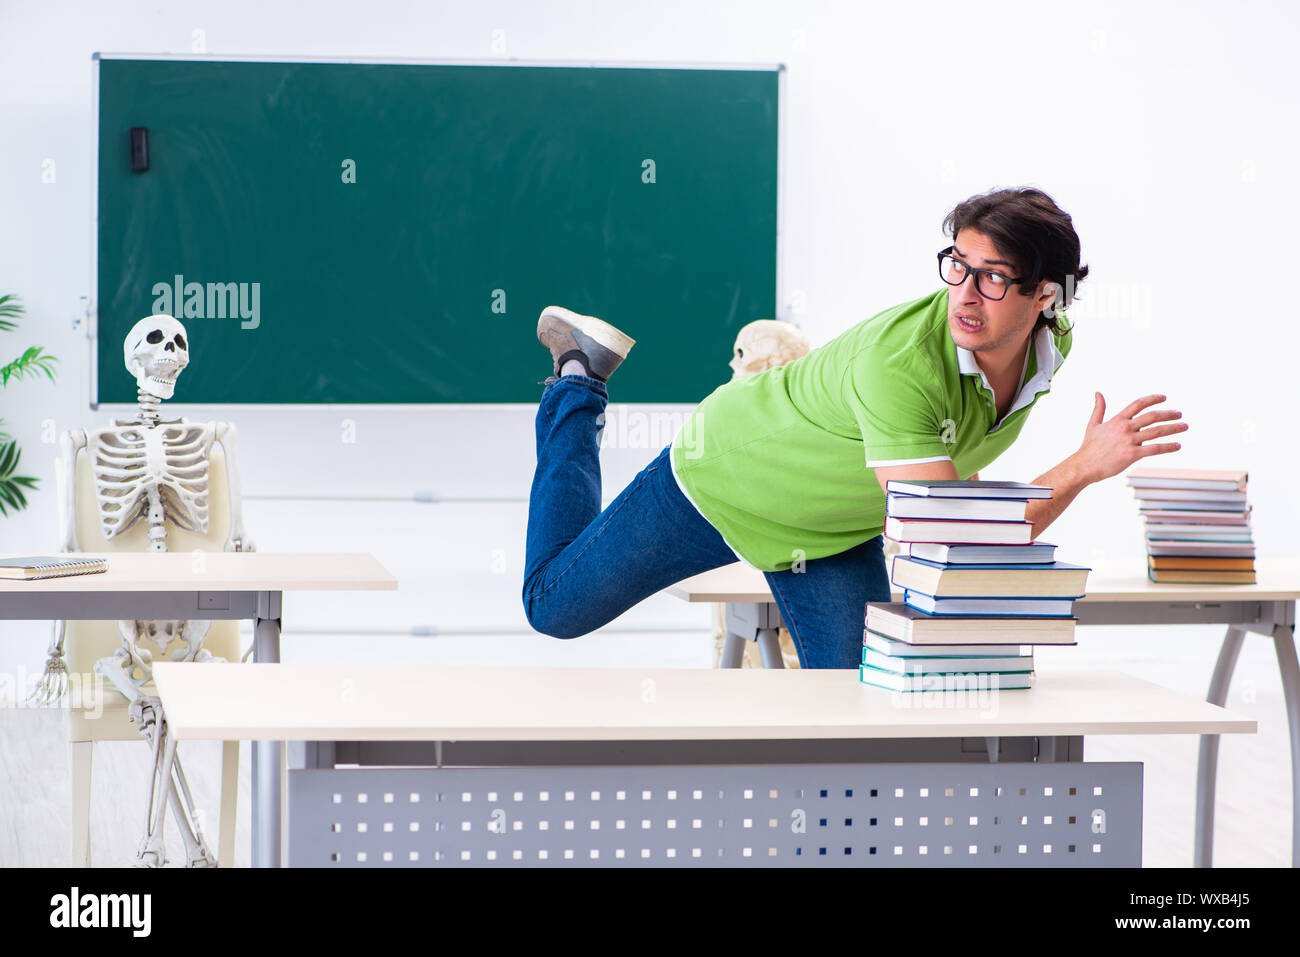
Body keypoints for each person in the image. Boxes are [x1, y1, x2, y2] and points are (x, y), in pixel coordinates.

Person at [521, 187, 1186, 668]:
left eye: (993, 278)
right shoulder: (900, 365)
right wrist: (1081, 466)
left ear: (1047, 297)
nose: (965, 293)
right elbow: (945, 537)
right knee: (554, 608)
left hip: (833, 529)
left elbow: (961, 447)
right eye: (958, 265)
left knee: (861, 702)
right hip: (725, 476)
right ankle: (579, 381)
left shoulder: (1050, 343)